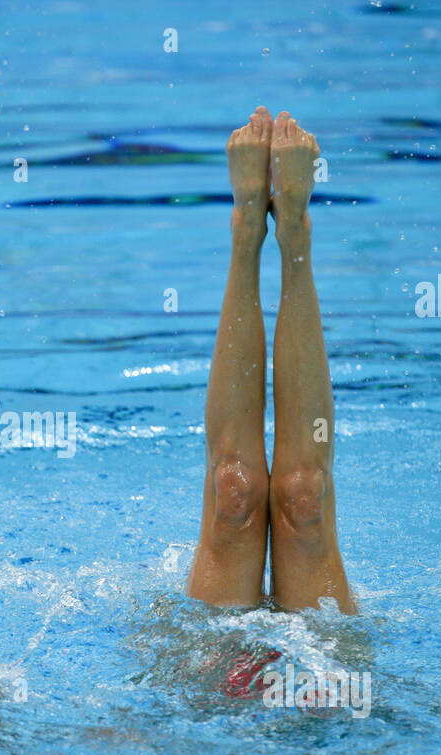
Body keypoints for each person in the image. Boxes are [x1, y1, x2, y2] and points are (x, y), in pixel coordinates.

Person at [185, 107, 356, 615]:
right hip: (218, 681)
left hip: (316, 681)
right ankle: (255, 226)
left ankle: (289, 230)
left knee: (304, 498)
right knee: (233, 496)